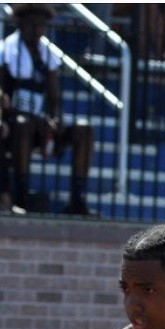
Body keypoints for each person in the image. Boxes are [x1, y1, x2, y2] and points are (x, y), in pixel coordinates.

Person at [0, 4, 94, 215]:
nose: (38, 29)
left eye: (42, 25)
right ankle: (21, 198)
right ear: (21, 24)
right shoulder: (6, 51)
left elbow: (54, 99)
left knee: (84, 130)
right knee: (24, 124)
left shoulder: (47, 55)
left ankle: (77, 200)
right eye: (33, 24)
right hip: (13, 127)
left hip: (40, 127)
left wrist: (55, 119)